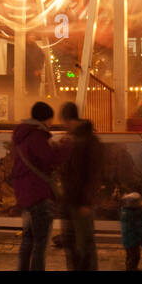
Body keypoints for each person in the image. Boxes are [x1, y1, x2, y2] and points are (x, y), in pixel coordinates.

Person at [10, 101, 63, 271]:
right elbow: (51, 159)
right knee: (40, 243)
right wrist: (64, 146)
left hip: (25, 196)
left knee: (28, 240)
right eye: (50, 120)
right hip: (39, 195)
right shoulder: (37, 137)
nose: (51, 124)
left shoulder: (21, 135)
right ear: (45, 119)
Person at [58, 113, 102, 271]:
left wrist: (86, 200)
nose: (64, 125)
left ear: (73, 120)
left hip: (81, 202)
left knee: (84, 243)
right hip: (70, 200)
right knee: (70, 243)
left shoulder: (89, 141)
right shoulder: (72, 140)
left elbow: (94, 173)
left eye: (65, 121)